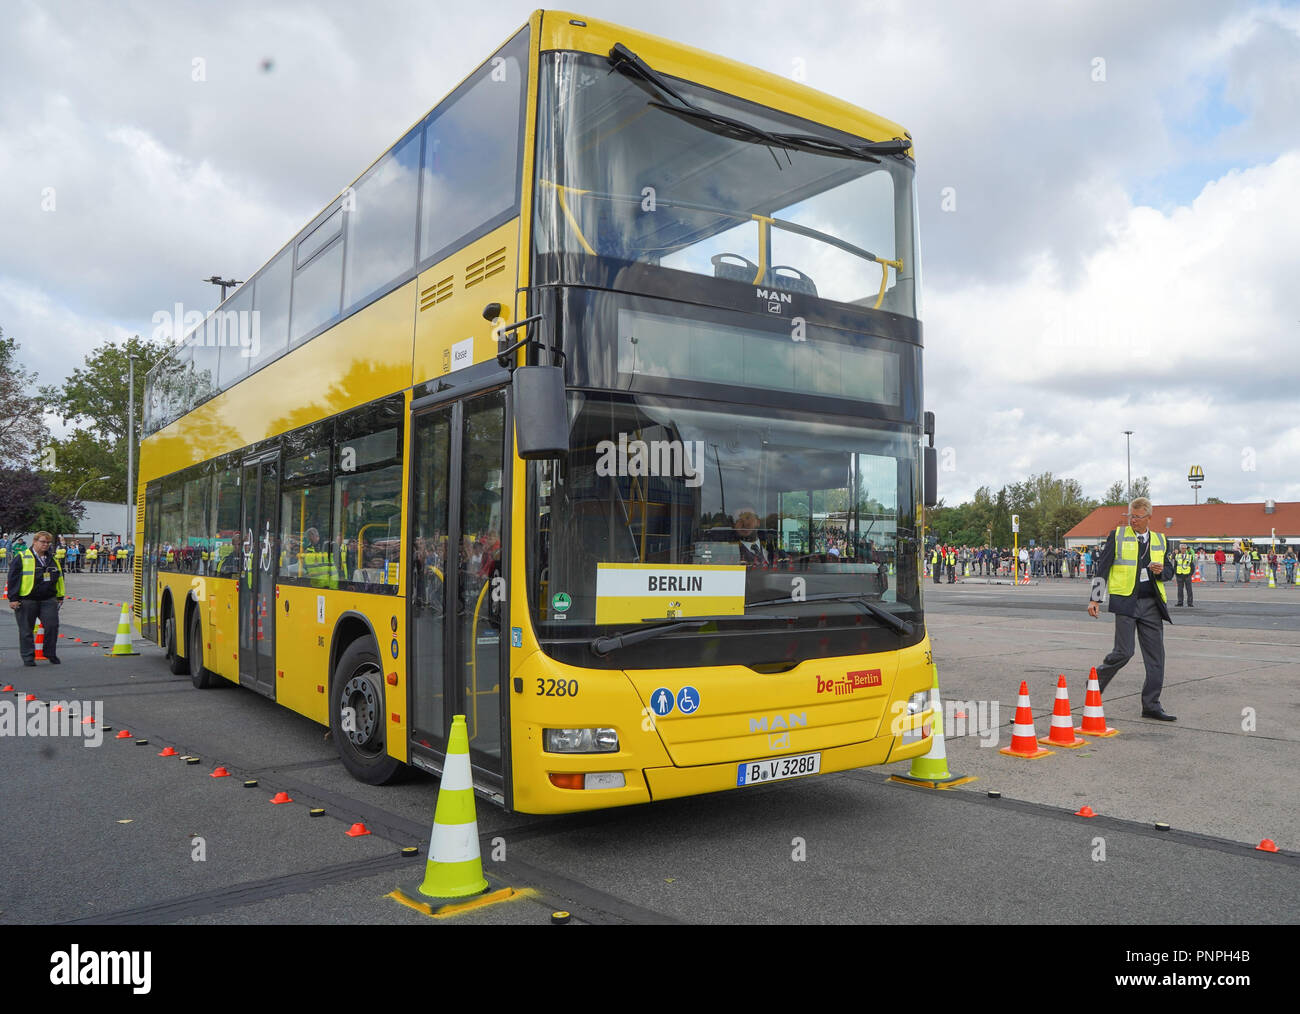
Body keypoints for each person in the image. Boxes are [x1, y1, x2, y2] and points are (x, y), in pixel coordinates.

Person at [1086, 497, 1176, 720]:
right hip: (1126, 601)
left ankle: (1151, 705)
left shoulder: (1160, 540)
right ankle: (1096, 680)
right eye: (1131, 517)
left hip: (1152, 604)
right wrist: (1095, 599)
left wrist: (1160, 570)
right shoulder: (1118, 535)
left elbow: (1169, 572)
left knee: (1156, 658)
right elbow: (1103, 567)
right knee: (1124, 652)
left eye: (1137, 517)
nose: (1133, 521)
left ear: (1148, 517)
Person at [7, 531, 65, 666]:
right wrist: (13, 598)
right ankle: (28, 657)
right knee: (26, 630)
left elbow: (60, 578)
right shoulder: (22, 557)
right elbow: (13, 578)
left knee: (52, 626)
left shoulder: (52, 559)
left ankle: (49, 653)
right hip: (27, 598)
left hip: (48, 598)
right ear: (35, 541)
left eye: (48, 542)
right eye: (43, 542)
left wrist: (60, 595)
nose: (45, 545)